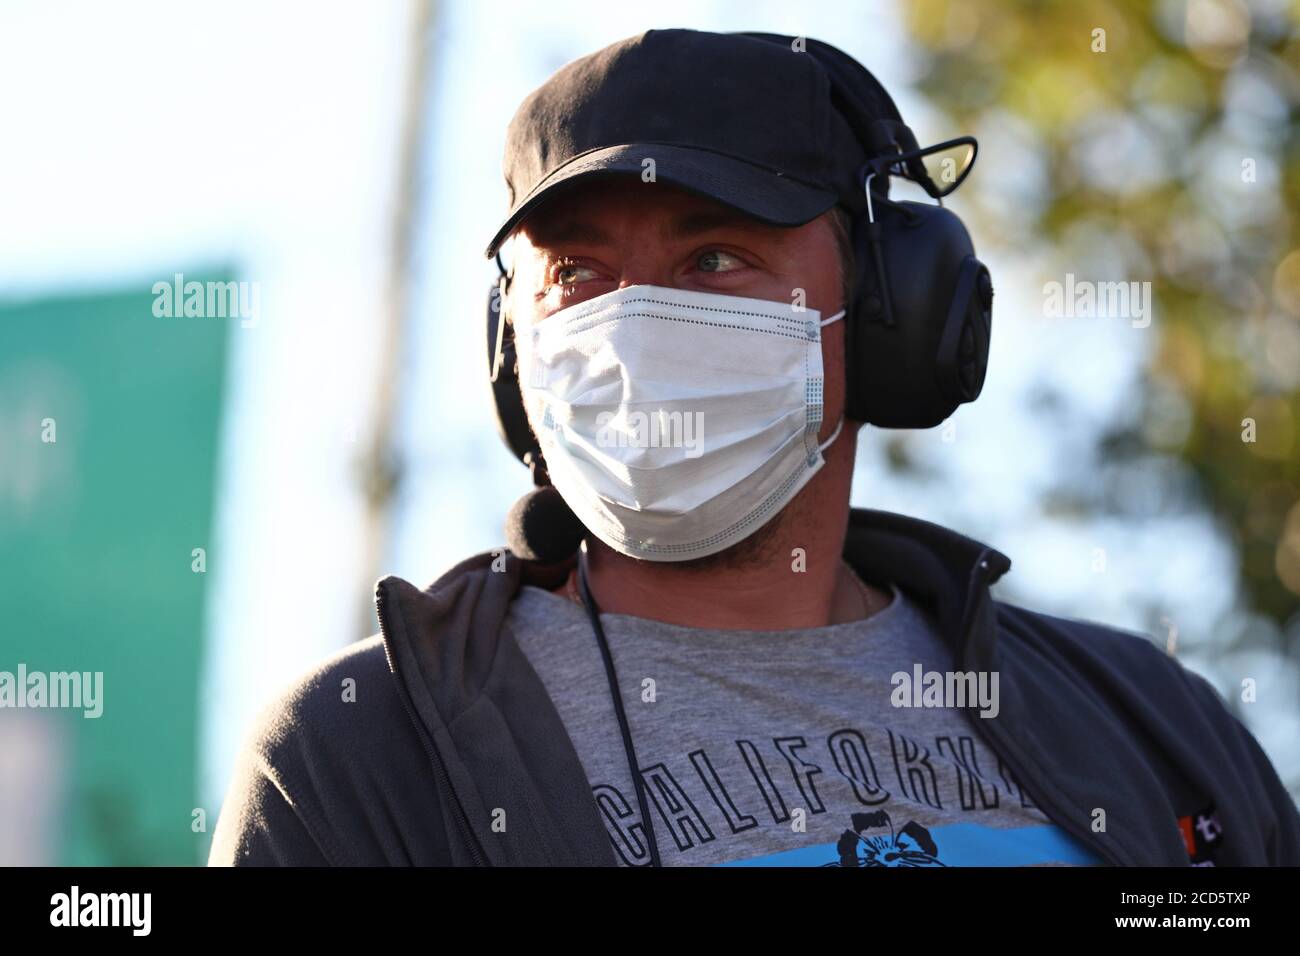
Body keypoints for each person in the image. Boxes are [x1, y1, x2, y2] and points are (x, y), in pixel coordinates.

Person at [209, 28, 1300, 867]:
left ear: (892, 315)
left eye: (715, 256)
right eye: (578, 273)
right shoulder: (366, 755)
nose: (633, 329)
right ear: (513, 349)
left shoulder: (1148, 723)